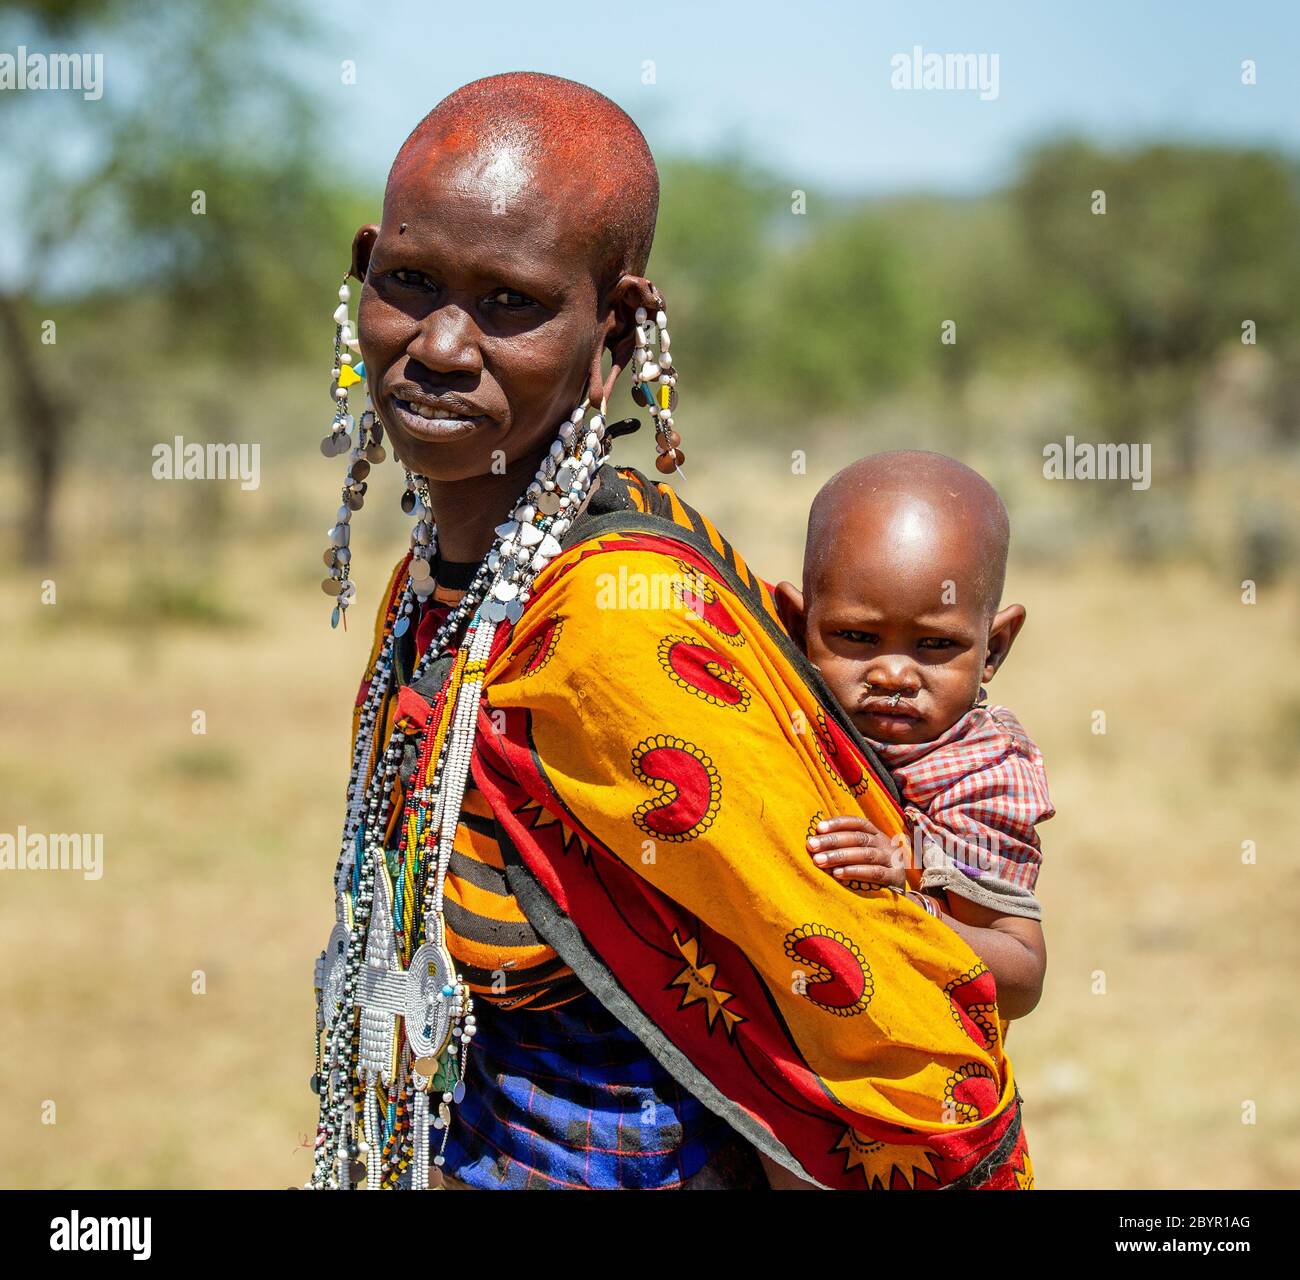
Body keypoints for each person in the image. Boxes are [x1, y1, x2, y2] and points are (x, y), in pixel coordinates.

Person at [309, 73, 1033, 1191]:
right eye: (409, 283)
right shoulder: (438, 587)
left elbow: (865, 1008)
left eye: (511, 302)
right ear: (363, 270)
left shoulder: (618, 618)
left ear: (620, 326)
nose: (444, 344)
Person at [776, 451, 1052, 1024]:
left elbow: (1022, 978)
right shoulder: (777, 718)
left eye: (935, 646)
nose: (894, 677)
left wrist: (908, 897)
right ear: (796, 627)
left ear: (993, 648)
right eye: (856, 636)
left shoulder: (982, 777)